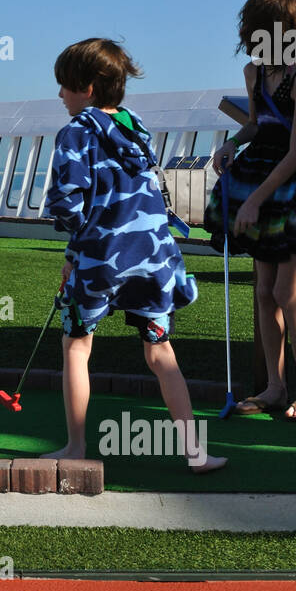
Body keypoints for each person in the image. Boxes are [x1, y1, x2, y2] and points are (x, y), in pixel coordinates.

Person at [43, 39, 225, 473]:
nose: (60, 95)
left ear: (86, 88)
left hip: (103, 257)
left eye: (65, 86)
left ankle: (75, 449)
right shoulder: (134, 127)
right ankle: (195, 454)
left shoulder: (76, 132)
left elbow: (69, 204)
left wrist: (75, 249)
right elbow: (133, 198)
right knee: (161, 353)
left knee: (76, 347)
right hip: (154, 256)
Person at [206, 0, 296, 422]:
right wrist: (230, 143)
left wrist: (253, 202)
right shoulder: (254, 72)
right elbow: (259, 125)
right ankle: (274, 388)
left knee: (286, 291)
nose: (246, 34)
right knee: (263, 291)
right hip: (264, 172)